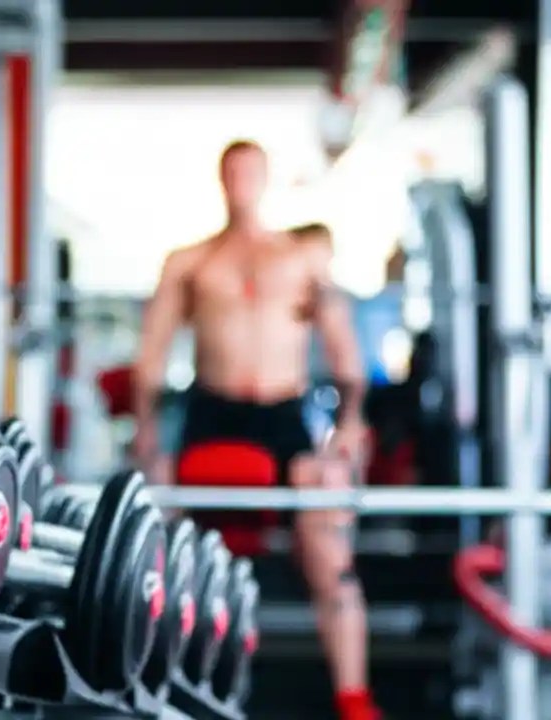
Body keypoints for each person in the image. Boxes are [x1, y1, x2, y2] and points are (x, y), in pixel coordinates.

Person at [133, 140, 379, 720]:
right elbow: (152, 353)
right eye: (233, 172)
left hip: (282, 412)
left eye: (251, 172)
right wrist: (146, 430)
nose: (241, 181)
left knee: (327, 546)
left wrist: (350, 421)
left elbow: (344, 347)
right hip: (211, 410)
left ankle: (353, 696)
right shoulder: (189, 262)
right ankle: (149, 682)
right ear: (221, 179)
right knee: (164, 543)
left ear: (265, 179)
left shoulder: (300, 258)